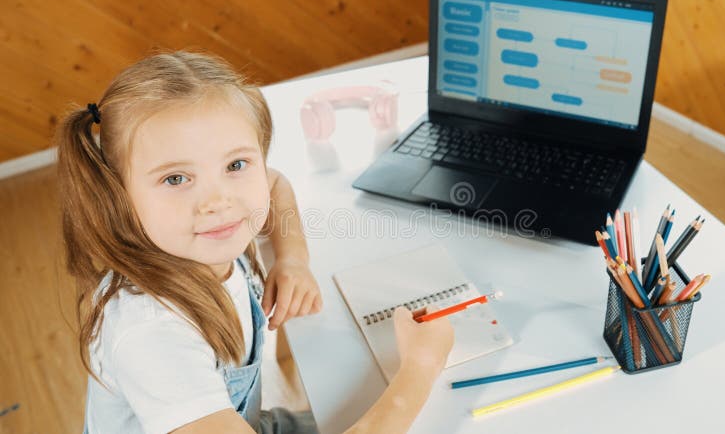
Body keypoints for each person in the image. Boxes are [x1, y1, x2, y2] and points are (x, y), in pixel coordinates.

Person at [57, 51, 454, 434]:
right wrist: (420, 368)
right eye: (176, 179)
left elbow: (274, 182)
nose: (218, 202)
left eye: (235, 165)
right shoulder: (152, 334)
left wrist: (292, 259)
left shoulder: (195, 236)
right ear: (117, 195)